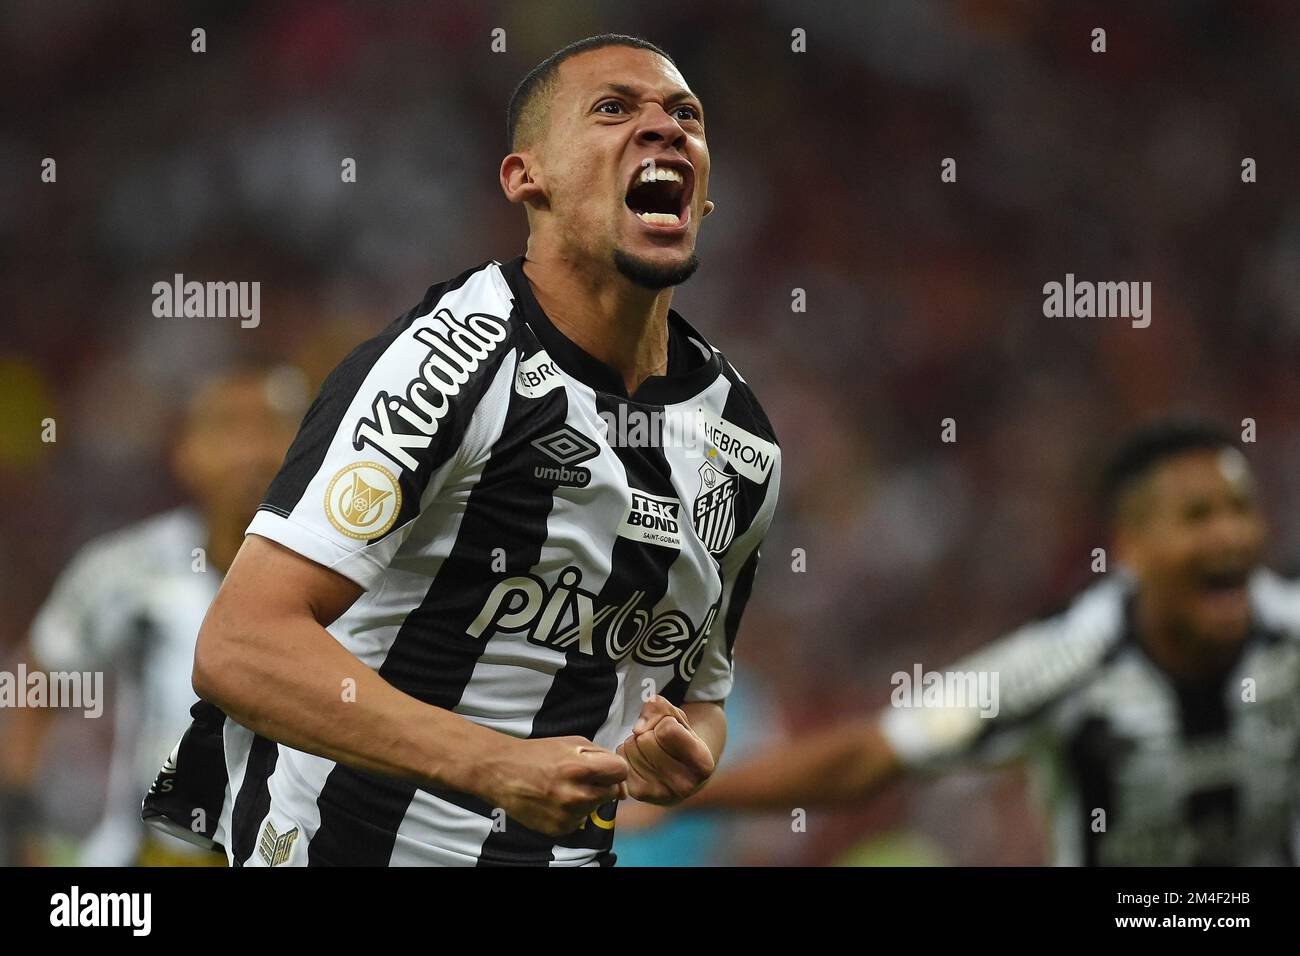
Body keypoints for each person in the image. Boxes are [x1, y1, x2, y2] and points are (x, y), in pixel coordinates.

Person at [145, 34, 781, 867]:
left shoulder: (742, 445)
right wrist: (495, 766)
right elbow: (240, 646)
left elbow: (698, 693)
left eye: (684, 115)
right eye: (615, 109)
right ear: (528, 179)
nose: (664, 128)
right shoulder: (448, 363)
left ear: (702, 198)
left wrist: (685, 752)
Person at [688, 419, 1300, 865]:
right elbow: (874, 754)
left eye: (1241, 509)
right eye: (1197, 517)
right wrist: (690, 797)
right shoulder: (1064, 662)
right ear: (1131, 547)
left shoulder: (1290, 636)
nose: (1231, 535)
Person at [0, 363, 303, 866]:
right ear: (185, 453)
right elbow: (38, 677)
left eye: (272, 425)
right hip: (150, 857)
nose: (253, 450)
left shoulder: (354, 576)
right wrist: (18, 819)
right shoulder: (127, 569)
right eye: (228, 427)